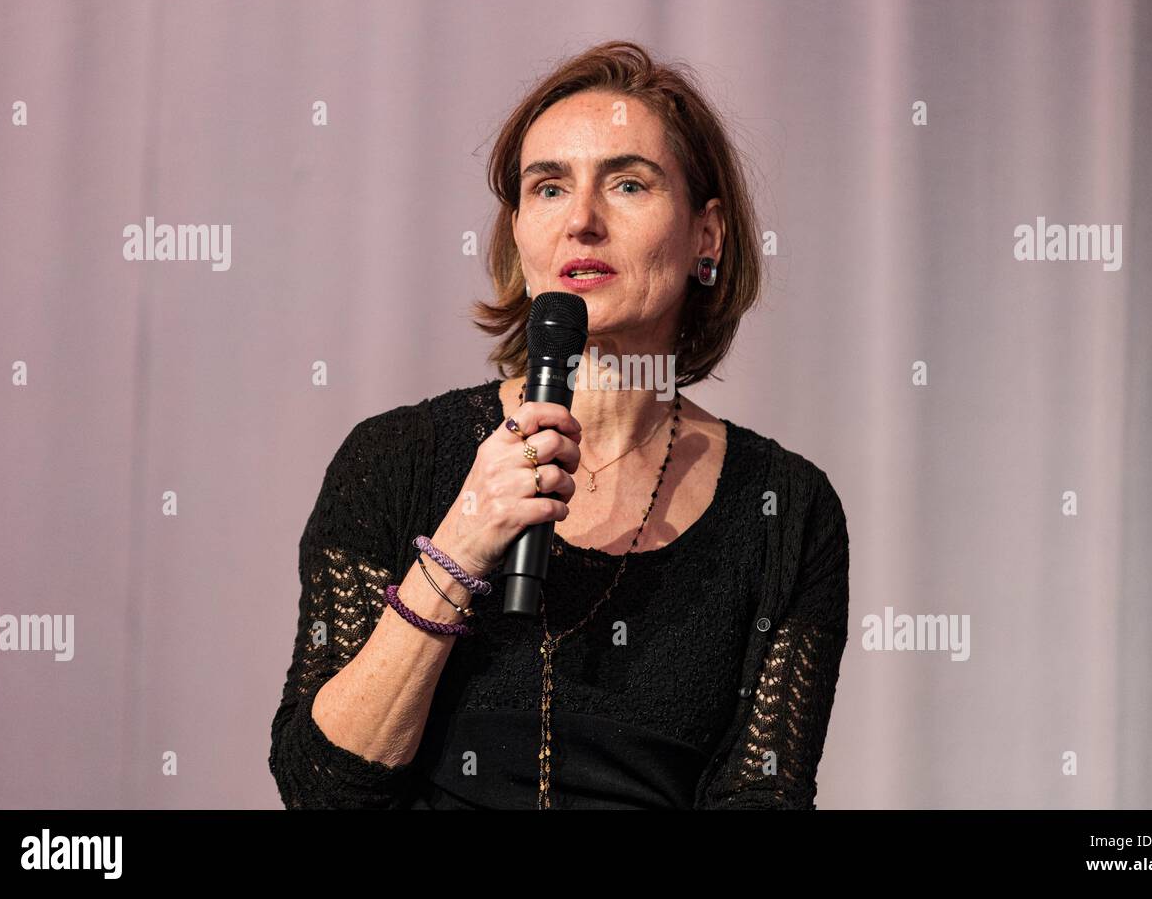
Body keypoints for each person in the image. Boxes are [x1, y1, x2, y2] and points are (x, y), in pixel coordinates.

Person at [268, 40, 851, 809]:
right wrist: (460, 547)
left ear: (707, 236)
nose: (581, 221)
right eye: (548, 188)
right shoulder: (397, 459)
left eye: (628, 184)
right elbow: (322, 787)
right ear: (518, 232)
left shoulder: (787, 510)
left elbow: (762, 795)